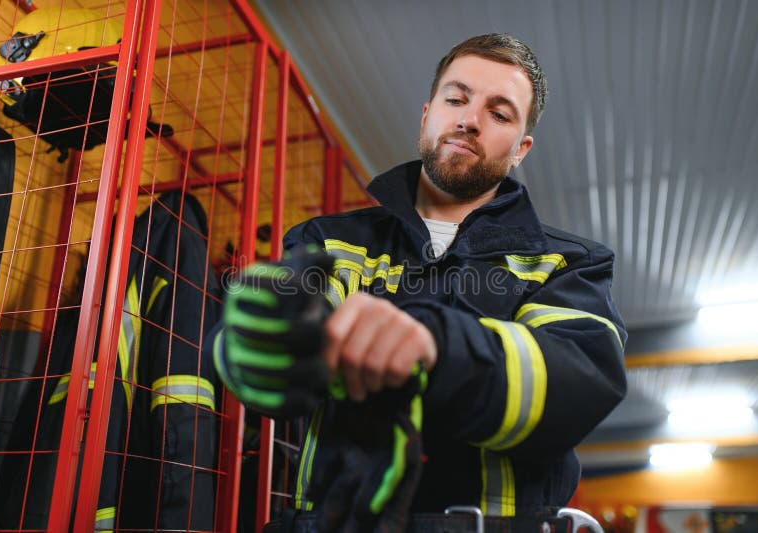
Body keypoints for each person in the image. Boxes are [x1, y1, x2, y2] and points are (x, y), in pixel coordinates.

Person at [214, 33, 627, 531]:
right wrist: (270, 339)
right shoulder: (328, 242)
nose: (469, 119)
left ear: (521, 149)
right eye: (456, 99)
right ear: (427, 114)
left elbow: (576, 385)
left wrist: (436, 345)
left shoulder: (568, 262)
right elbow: (271, 366)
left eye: (499, 114)